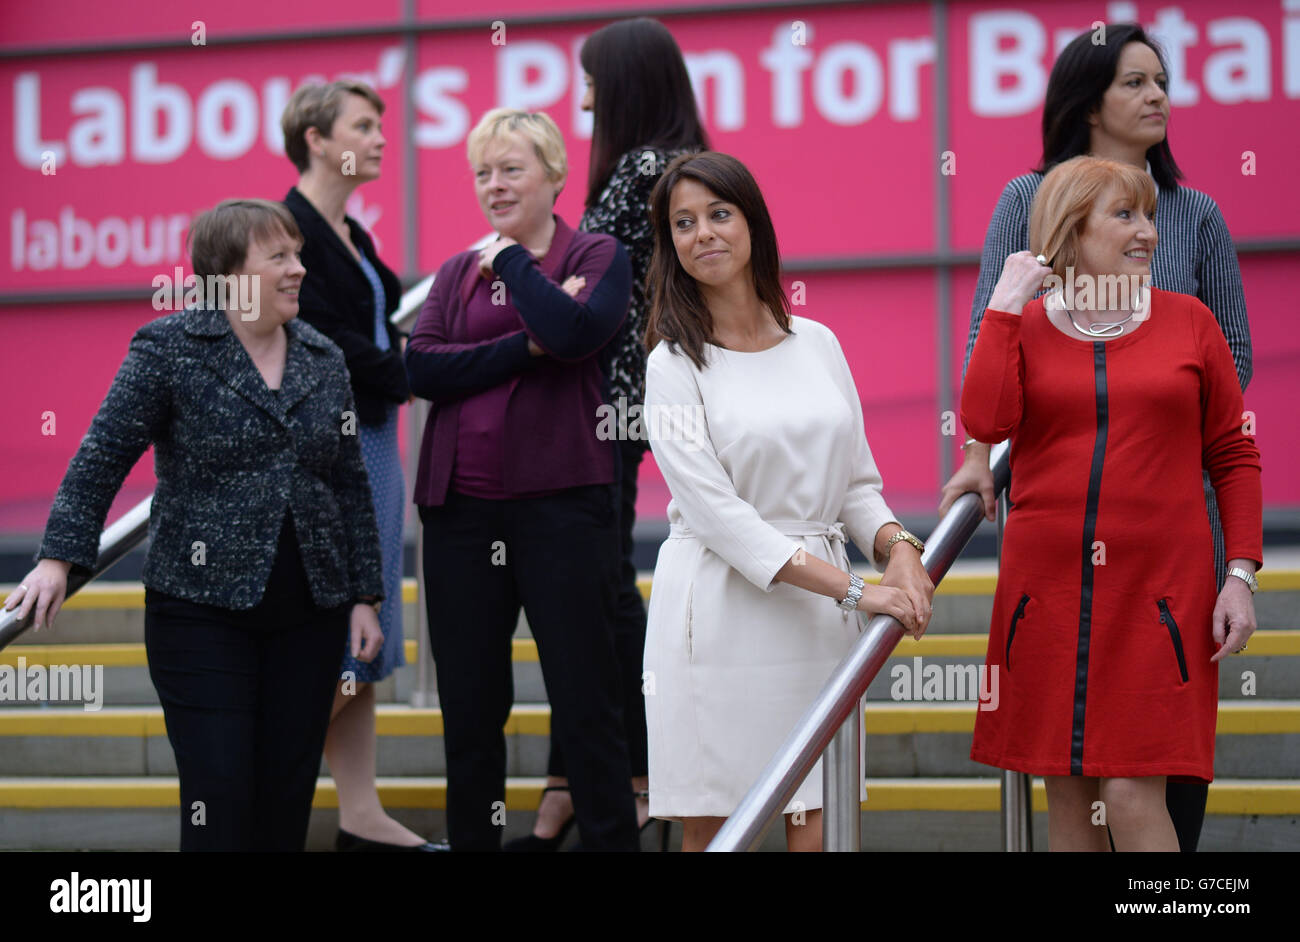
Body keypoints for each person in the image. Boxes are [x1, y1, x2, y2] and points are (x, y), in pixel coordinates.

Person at [939, 23, 1252, 851]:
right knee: (1074, 790)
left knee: (1145, 782)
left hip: (1168, 547)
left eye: (1164, 81)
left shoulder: (1195, 240)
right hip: (1055, 564)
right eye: (1135, 82)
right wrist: (977, 459)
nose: (1158, 97)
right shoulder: (1027, 216)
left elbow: (1231, 402)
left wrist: (1234, 562)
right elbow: (989, 368)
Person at [3, 199, 386, 851]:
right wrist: (58, 558)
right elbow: (103, 453)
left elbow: (349, 481)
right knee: (221, 795)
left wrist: (365, 595)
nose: (299, 269)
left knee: (284, 798)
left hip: (311, 614)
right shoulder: (170, 347)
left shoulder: (322, 356)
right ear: (229, 274)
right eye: (280, 258)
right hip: (199, 615)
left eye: (297, 254)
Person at [641, 152, 934, 852]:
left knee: (817, 814)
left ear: (752, 224)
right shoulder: (671, 363)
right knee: (717, 825)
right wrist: (856, 589)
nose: (703, 234)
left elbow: (857, 486)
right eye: (684, 223)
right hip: (717, 612)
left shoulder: (818, 342)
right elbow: (719, 517)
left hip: (814, 619)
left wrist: (900, 551)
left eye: (719, 214)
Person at [405, 108, 639, 852]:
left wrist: (510, 264)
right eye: (482, 173)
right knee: (472, 711)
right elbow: (420, 367)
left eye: (510, 169)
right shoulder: (451, 273)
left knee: (586, 703)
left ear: (554, 175)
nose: (493, 186)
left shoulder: (598, 254)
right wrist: (524, 346)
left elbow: (575, 334)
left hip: (563, 511)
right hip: (459, 516)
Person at [510, 16, 710, 851]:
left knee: (600, 594)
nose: (582, 95)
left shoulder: (643, 169)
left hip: (612, 404)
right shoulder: (674, 164)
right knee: (593, 591)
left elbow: (594, 291)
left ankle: (627, 778)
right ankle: (576, 782)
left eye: (593, 79)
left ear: (625, 83)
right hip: (625, 405)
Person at [280, 81, 435, 852]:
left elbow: (375, 330)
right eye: (363, 126)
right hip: (332, 451)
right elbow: (325, 337)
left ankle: (360, 816)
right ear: (315, 137)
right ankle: (262, 784)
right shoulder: (289, 229)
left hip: (375, 448)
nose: (380, 138)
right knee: (345, 634)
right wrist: (416, 372)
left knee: (366, 640)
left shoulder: (351, 231)